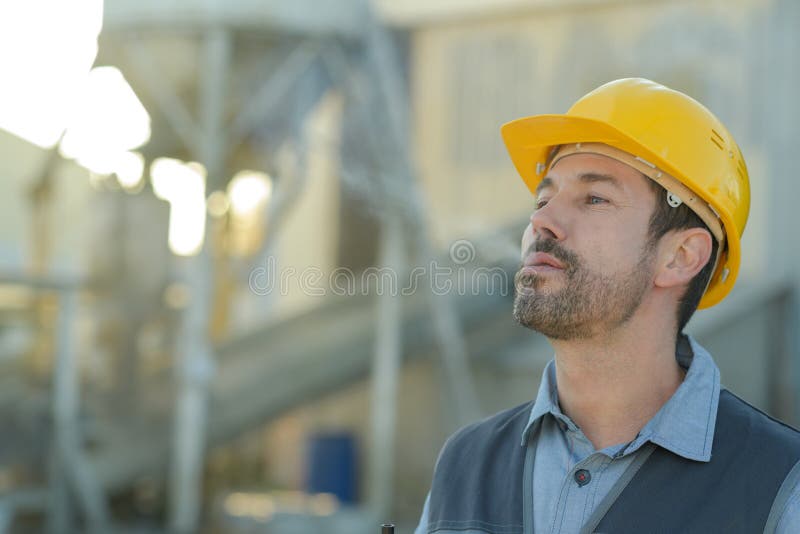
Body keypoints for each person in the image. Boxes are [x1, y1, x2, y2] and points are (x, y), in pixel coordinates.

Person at [414, 78, 800, 533]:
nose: (541, 220)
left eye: (594, 198)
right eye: (543, 197)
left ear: (680, 257)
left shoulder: (781, 490)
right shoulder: (464, 464)